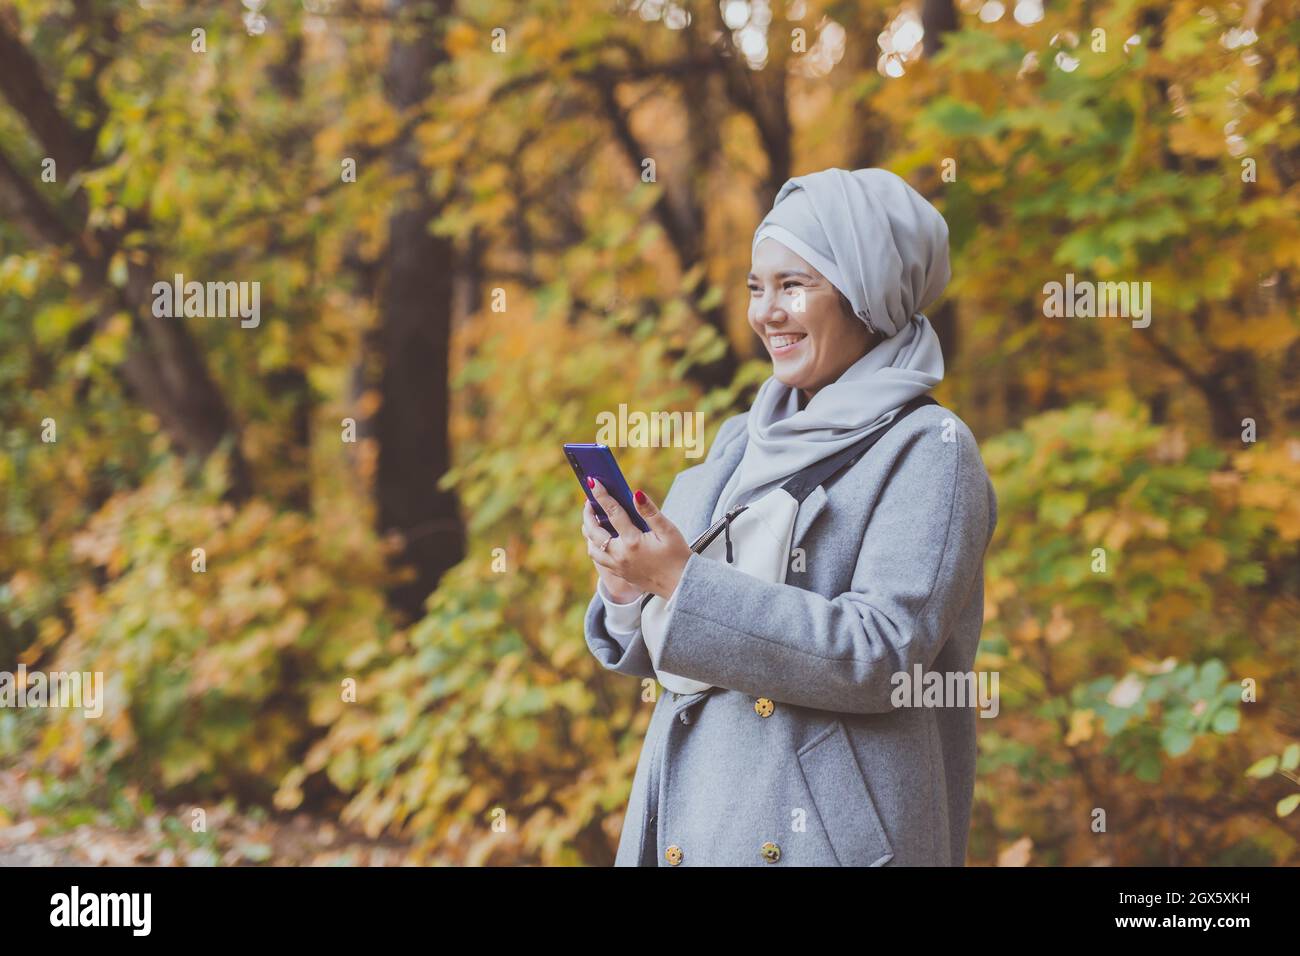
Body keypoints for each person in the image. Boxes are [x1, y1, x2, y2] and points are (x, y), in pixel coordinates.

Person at [580, 167, 998, 866]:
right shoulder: (743, 440)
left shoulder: (931, 449)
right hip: (693, 824)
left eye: (794, 286)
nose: (765, 313)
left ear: (866, 294)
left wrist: (683, 583)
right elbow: (680, 650)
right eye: (755, 287)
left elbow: (884, 655)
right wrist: (628, 586)